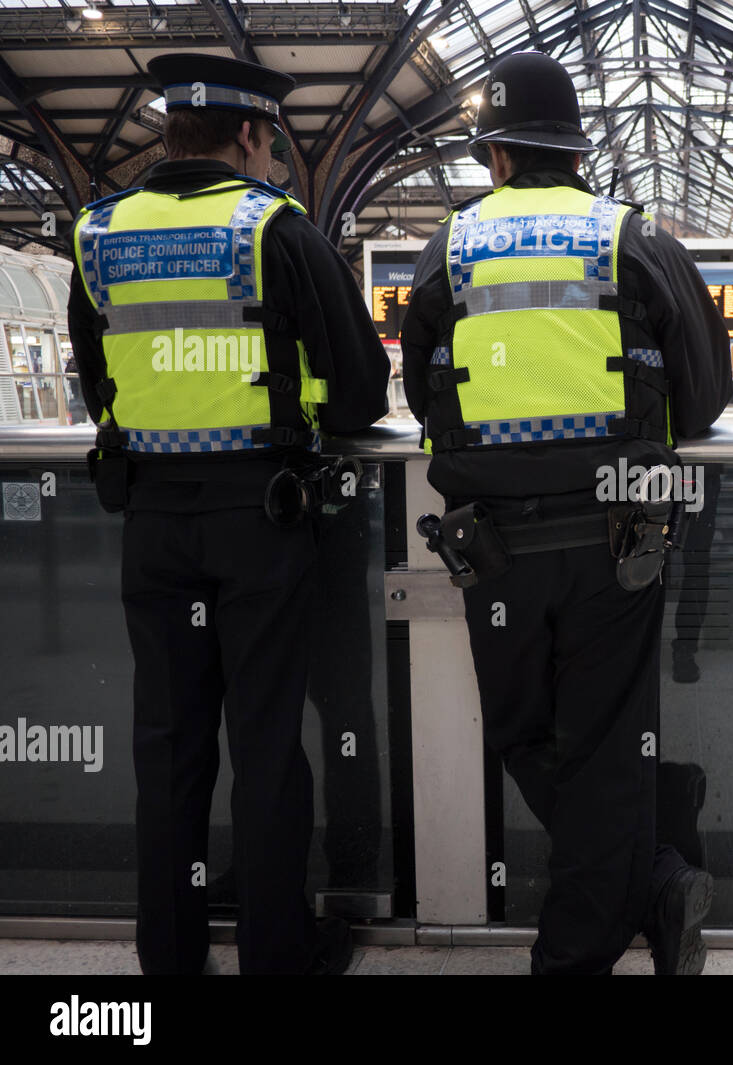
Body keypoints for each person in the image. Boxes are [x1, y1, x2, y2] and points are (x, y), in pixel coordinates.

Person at [400, 52, 731, 975]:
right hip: (618, 543)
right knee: (605, 740)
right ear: (575, 151)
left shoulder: (448, 249)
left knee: (519, 733)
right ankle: (658, 876)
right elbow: (703, 396)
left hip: (491, 548)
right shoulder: (635, 239)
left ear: (496, 156)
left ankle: (579, 949)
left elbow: (424, 395)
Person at [67, 54, 391, 974]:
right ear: (251, 134)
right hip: (264, 517)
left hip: (152, 521)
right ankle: (274, 950)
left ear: (174, 130)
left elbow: (101, 388)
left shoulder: (97, 232)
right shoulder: (275, 230)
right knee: (264, 742)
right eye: (273, 142)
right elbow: (362, 390)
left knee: (167, 743)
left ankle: (167, 957)